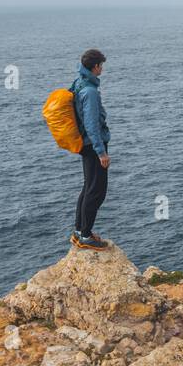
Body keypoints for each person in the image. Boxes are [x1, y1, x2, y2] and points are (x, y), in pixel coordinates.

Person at [71, 48, 111, 249]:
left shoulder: (79, 83)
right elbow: (92, 124)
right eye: (101, 65)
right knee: (97, 191)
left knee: (88, 187)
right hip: (93, 146)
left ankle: (79, 231)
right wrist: (101, 152)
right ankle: (85, 235)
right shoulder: (90, 91)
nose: (102, 68)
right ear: (95, 66)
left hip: (85, 145)